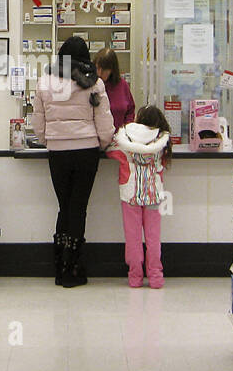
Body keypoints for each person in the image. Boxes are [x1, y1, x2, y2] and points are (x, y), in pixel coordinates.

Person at [32, 36, 114, 287]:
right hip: (86, 152)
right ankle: (73, 268)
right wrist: (102, 143)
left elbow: (38, 122)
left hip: (58, 153)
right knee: (78, 208)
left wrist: (50, 140)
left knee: (64, 206)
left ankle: (59, 266)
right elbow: (104, 121)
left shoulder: (44, 81)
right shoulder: (95, 83)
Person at [106, 104, 171, 288]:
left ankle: (135, 277)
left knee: (133, 237)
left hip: (130, 194)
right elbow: (164, 160)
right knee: (153, 237)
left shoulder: (125, 138)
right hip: (154, 193)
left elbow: (110, 151)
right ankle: (156, 276)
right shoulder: (161, 141)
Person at [94, 47, 135, 129]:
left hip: (120, 137)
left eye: (104, 70)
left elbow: (130, 111)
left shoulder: (123, 85)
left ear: (112, 69)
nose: (99, 73)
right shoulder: (92, 85)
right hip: (97, 137)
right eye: (97, 68)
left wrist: (126, 129)